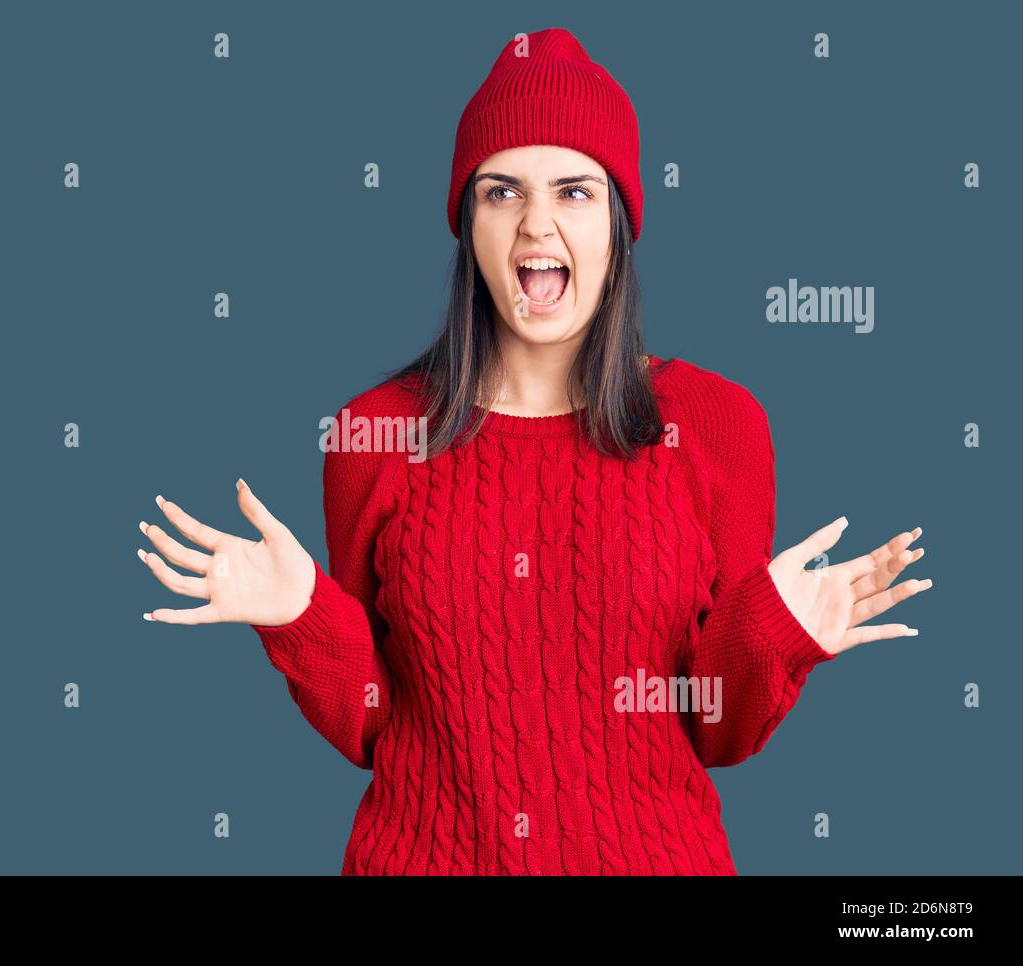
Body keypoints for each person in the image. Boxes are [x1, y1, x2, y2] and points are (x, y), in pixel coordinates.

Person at [135, 28, 932, 875]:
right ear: (467, 221)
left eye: (576, 192)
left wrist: (775, 634)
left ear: (621, 225)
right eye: (502, 191)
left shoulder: (716, 424)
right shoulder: (374, 434)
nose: (536, 223)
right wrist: (303, 617)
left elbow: (719, 734)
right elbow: (375, 729)